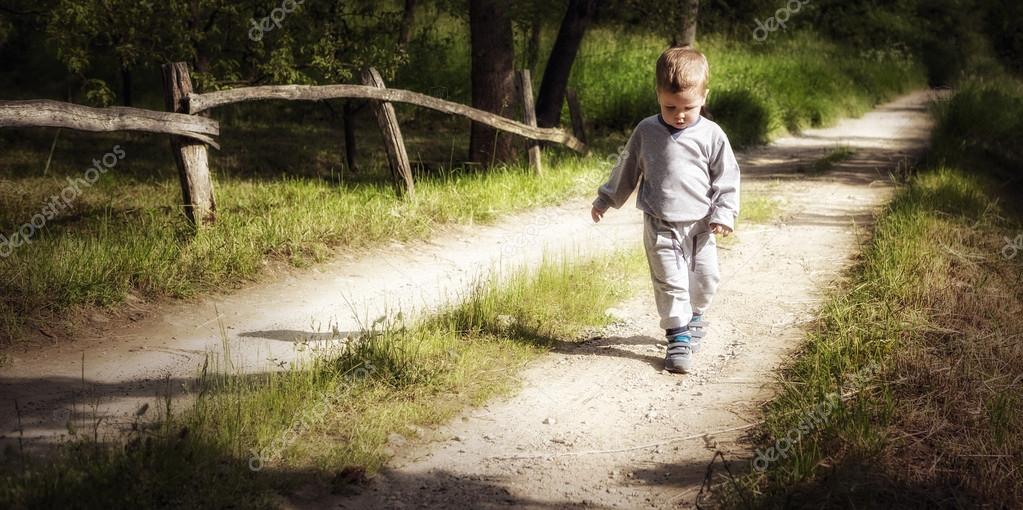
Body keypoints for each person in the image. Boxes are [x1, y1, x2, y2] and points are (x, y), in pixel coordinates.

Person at [590, 46, 740, 374]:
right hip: (660, 222)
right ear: (658, 94)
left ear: (704, 96)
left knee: (705, 279)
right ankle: (678, 337)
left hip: (702, 224)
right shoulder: (647, 131)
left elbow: (727, 176)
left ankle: (695, 315)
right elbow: (627, 168)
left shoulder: (712, 135)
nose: (680, 114)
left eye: (689, 107)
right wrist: (607, 198)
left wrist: (724, 213)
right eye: (670, 106)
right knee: (671, 282)